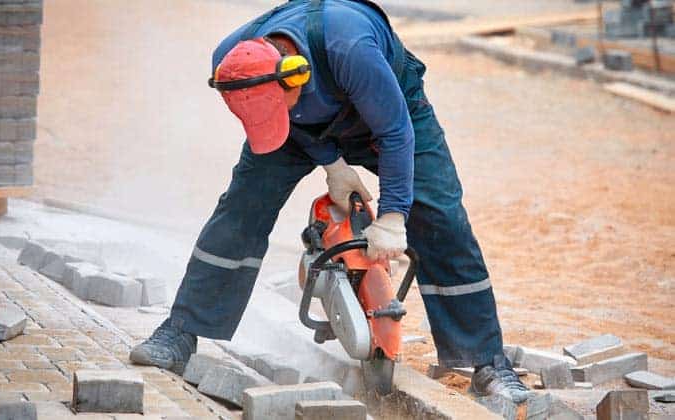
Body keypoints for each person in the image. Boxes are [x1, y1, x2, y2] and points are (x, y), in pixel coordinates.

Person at [129, 0, 530, 402]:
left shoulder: (351, 48)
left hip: (391, 111)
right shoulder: (233, 63)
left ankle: (487, 360)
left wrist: (392, 216)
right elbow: (282, 124)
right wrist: (332, 163)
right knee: (241, 208)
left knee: (440, 214)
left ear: (295, 75)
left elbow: (395, 134)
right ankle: (181, 331)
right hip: (298, 126)